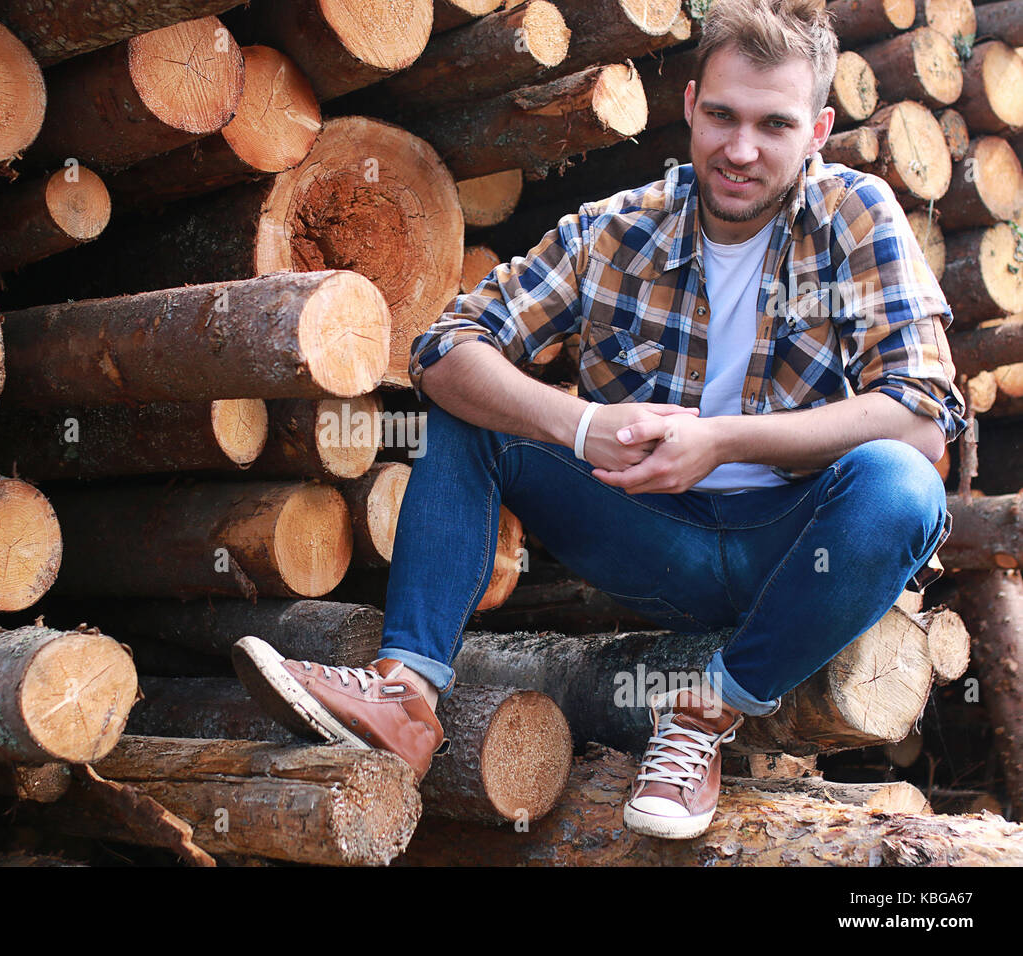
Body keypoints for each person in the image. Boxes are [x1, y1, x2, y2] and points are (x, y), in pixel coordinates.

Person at [232, 0, 966, 841]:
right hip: (652, 537)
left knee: (901, 485)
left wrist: (722, 441)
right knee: (467, 418)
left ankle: (705, 715)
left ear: (818, 130)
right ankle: (405, 697)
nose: (739, 149)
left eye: (774, 125)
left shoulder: (855, 216)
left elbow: (921, 418)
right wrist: (579, 426)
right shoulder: (618, 229)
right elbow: (442, 348)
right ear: (689, 104)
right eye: (722, 115)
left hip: (797, 550)